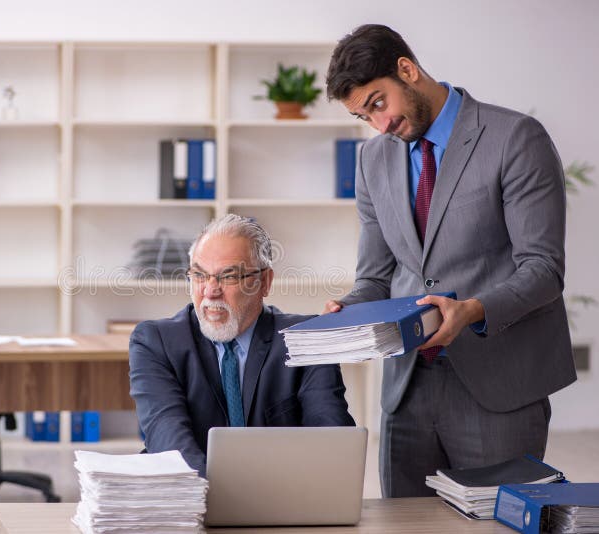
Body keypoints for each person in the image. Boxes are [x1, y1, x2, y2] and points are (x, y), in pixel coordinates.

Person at [324, 24, 576, 497]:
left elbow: (543, 269)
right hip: (407, 387)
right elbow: (376, 276)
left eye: (378, 103)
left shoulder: (515, 138)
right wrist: (349, 309)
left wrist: (471, 310)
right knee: (404, 526)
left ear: (407, 69)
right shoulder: (372, 160)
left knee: (495, 522)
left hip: (498, 382)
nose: (380, 125)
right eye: (364, 116)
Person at [130, 214, 356, 477]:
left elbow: (334, 442)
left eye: (229, 277)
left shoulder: (308, 339)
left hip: (284, 499)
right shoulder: (155, 342)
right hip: (195, 502)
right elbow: (168, 439)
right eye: (200, 275)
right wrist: (224, 501)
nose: (210, 290)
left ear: (264, 282)